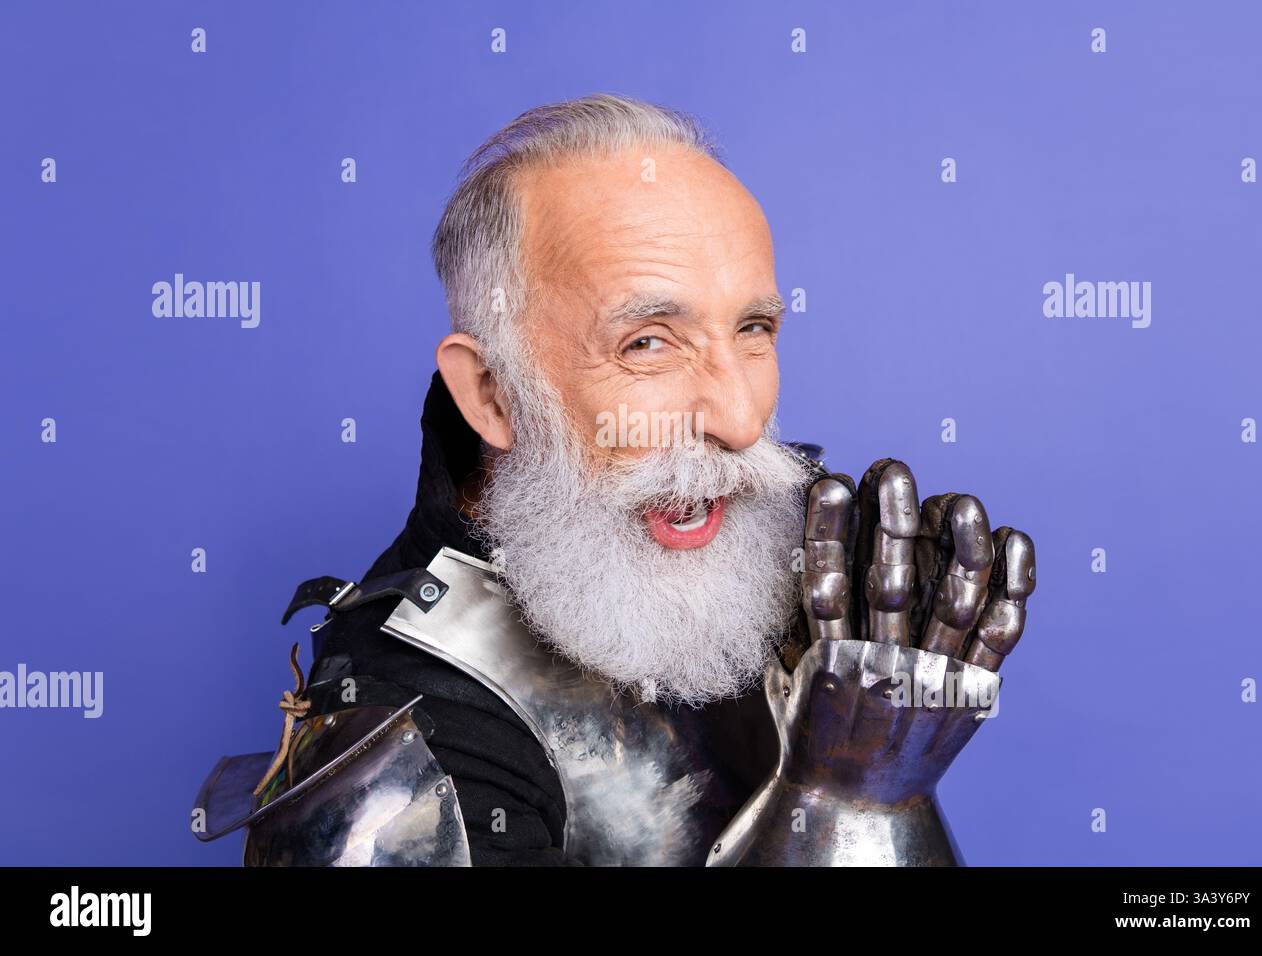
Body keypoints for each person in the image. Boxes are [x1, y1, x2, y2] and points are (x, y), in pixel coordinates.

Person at [193, 93, 1035, 867]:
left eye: (753, 328)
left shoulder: (795, 584)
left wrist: (878, 779)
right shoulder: (403, 747)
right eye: (648, 343)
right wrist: (848, 806)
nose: (741, 421)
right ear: (492, 394)